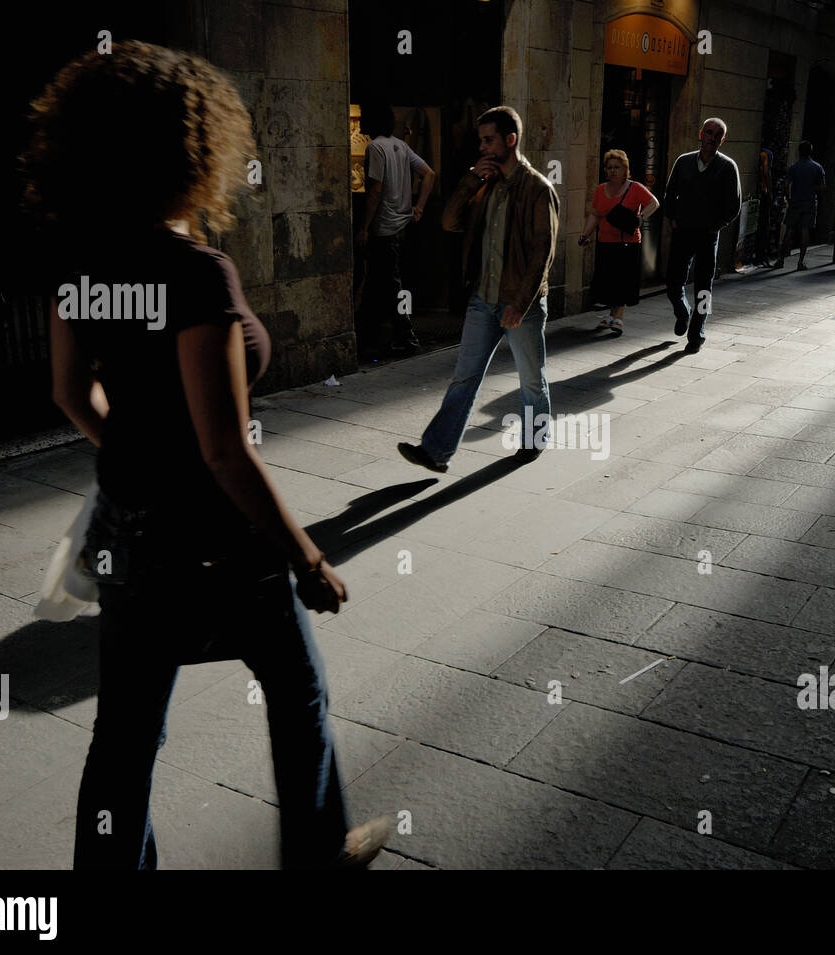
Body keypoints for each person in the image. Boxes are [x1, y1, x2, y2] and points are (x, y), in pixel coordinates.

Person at [27, 40, 390, 869]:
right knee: (297, 695)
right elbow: (224, 448)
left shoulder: (80, 269)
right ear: (190, 147)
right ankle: (319, 851)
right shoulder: (197, 274)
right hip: (222, 545)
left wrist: (136, 449)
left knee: (124, 735)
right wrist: (307, 557)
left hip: (128, 534)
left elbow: (70, 397)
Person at [398, 105, 559, 471]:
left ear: (510, 139)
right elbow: (449, 222)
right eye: (481, 141)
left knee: (531, 380)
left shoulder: (538, 188)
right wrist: (470, 180)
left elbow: (542, 254)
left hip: (522, 303)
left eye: (489, 140)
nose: (483, 147)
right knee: (464, 378)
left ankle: (534, 441)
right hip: (482, 301)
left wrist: (519, 303)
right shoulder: (483, 185)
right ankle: (436, 452)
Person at [357, 104, 436, 359]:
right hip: (403, 224)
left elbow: (375, 190)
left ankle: (407, 336)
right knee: (386, 281)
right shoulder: (400, 146)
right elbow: (429, 174)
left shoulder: (375, 147)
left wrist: (364, 227)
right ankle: (372, 334)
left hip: (385, 227)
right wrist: (419, 208)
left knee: (390, 283)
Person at [661, 117, 742, 352]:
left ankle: (697, 334)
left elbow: (734, 205)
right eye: (709, 133)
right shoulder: (684, 162)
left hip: (707, 236)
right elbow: (670, 193)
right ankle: (682, 311)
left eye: (718, 135)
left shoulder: (728, 167)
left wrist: (715, 225)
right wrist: (673, 218)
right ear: (701, 134)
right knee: (673, 283)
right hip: (683, 232)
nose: (712, 138)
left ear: (722, 140)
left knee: (704, 287)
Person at [579, 149, 659, 332]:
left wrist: (640, 218)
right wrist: (585, 235)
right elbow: (595, 215)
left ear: (625, 169)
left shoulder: (635, 188)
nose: (612, 171)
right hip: (605, 241)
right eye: (609, 167)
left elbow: (654, 203)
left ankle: (619, 316)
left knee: (623, 280)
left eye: (617, 167)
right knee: (608, 280)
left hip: (627, 243)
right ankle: (610, 314)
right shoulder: (601, 190)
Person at [774, 140, 826, 271]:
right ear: (811, 152)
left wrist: (788, 198)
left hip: (795, 202)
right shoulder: (817, 167)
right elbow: (821, 188)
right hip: (809, 202)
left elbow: (786, 186)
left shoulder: (793, 167)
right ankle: (800, 262)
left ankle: (780, 260)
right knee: (805, 231)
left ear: (799, 152)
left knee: (789, 230)